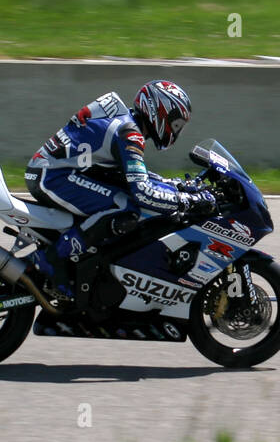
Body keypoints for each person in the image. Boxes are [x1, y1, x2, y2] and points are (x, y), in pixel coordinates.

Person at [24, 80, 216, 292]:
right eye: (176, 123)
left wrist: (176, 185)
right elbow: (143, 192)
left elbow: (131, 175)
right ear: (159, 111)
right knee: (124, 207)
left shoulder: (126, 123)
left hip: (57, 171)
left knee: (123, 196)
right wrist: (187, 202)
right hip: (53, 176)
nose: (175, 130)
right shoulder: (129, 132)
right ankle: (53, 258)